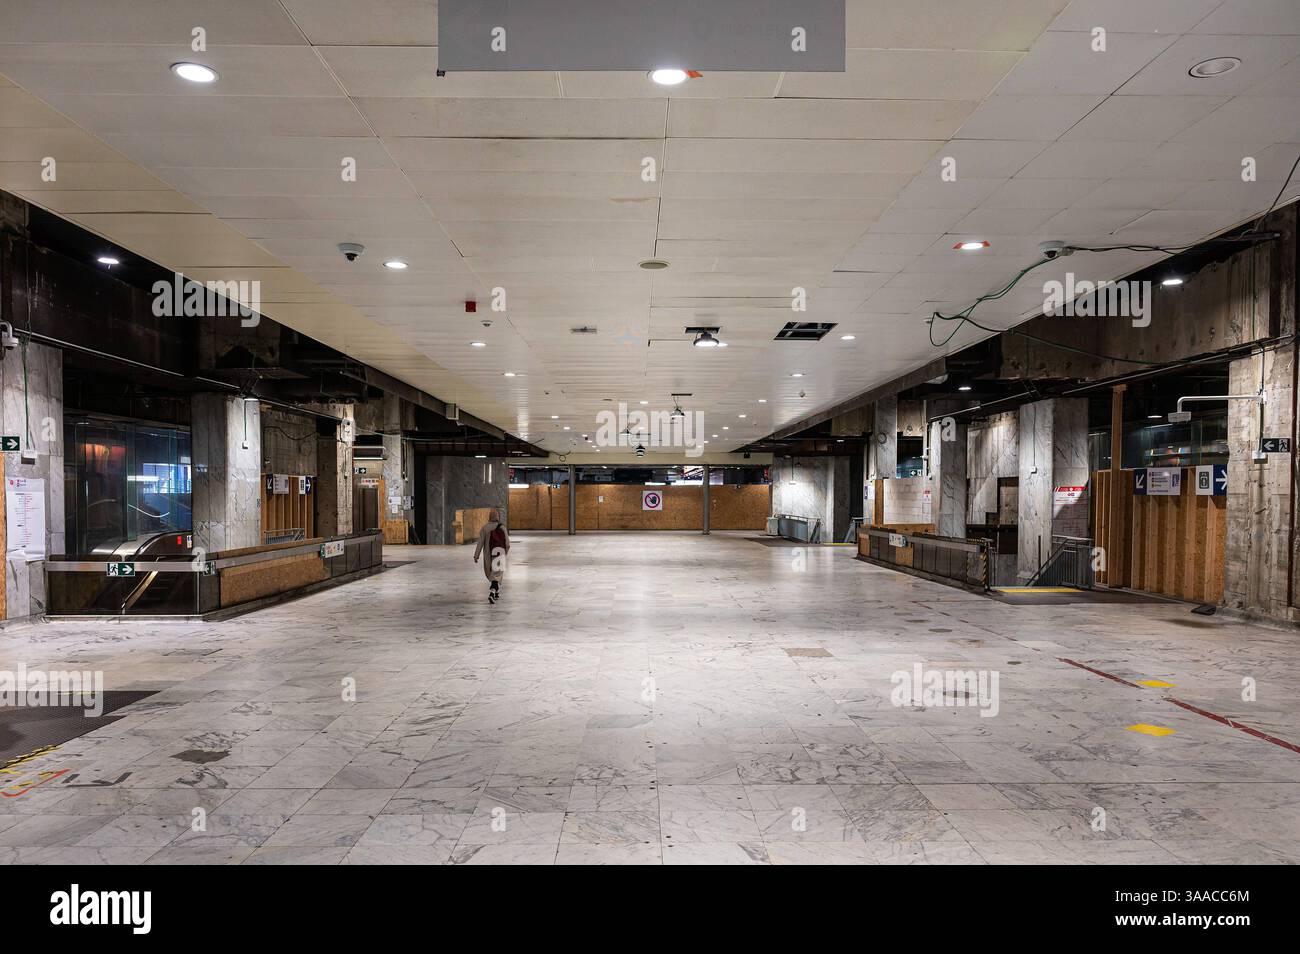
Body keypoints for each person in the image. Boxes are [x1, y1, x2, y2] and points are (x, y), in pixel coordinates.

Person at [473, 508, 510, 603]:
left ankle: (496, 592)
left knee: (493, 573)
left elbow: (480, 543)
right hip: (499, 552)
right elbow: (507, 543)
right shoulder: (502, 527)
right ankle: (492, 592)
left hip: (489, 554)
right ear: (498, 516)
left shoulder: (485, 528)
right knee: (497, 573)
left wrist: (476, 555)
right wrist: (505, 552)